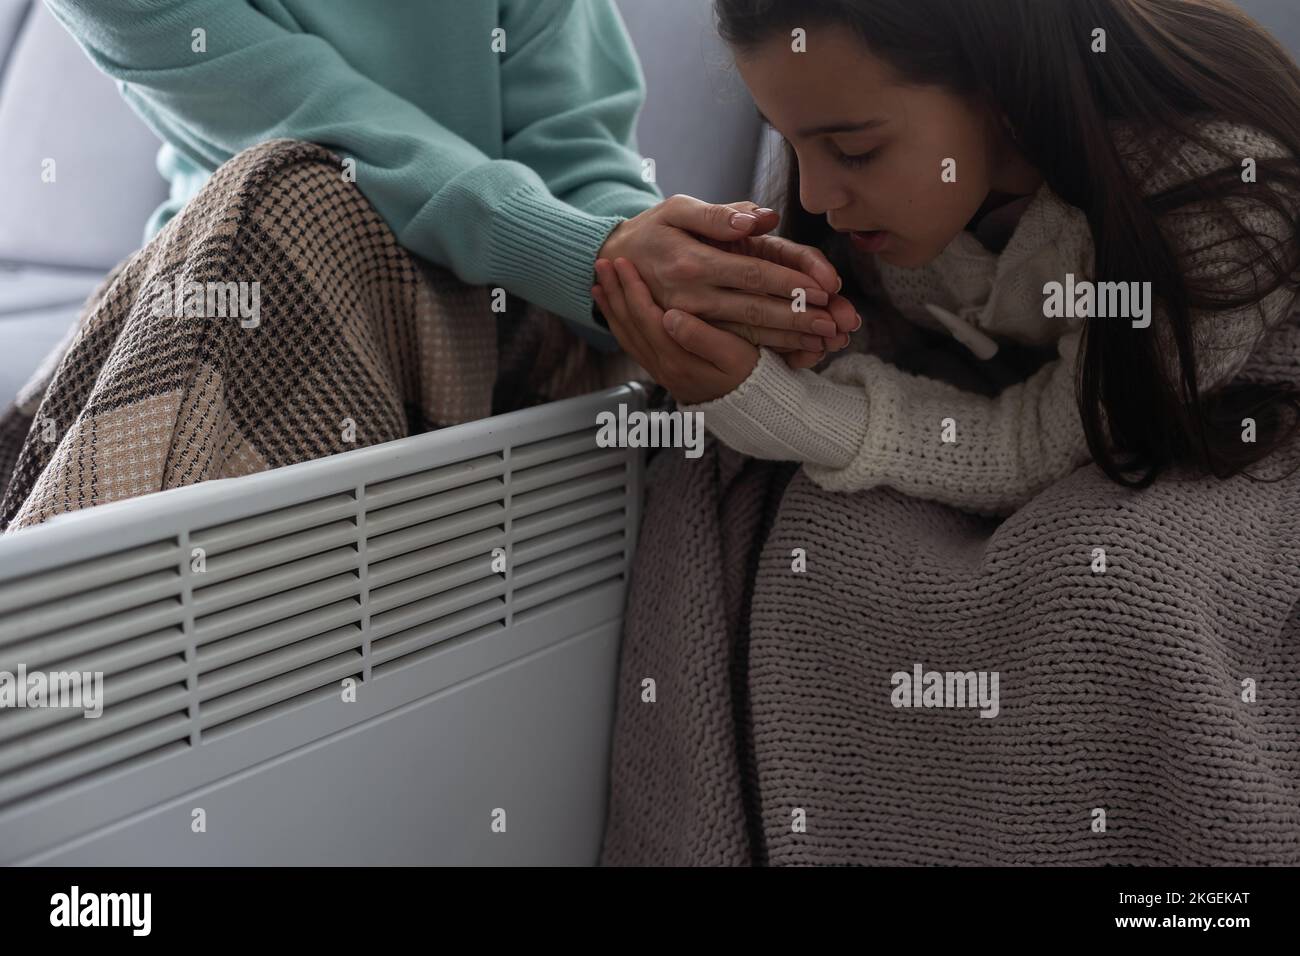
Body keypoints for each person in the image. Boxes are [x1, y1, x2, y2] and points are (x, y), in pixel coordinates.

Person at [593, 0, 1300, 516]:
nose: (816, 196)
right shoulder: (887, 205)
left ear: (999, 83)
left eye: (855, 150)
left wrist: (779, 406)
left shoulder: (1216, 192)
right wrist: (764, 326)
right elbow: (905, 341)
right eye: (789, 142)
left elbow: (1048, 443)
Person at [42, 0, 859, 367]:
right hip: (248, 287)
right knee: (296, 192)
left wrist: (667, 271)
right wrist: (594, 255)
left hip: (512, 300)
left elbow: (577, 158)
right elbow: (329, 128)